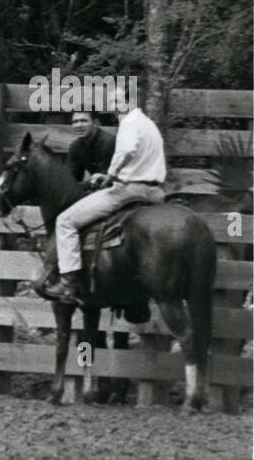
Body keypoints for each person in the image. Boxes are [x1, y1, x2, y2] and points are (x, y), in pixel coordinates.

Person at [41, 82, 167, 304]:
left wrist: (110, 174)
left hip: (129, 190)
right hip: (156, 191)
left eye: (117, 101)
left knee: (65, 221)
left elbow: (127, 150)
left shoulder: (128, 122)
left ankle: (68, 283)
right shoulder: (148, 124)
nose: (113, 106)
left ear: (130, 102)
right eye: (111, 102)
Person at [67, 110, 116, 183]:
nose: (79, 125)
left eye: (84, 121)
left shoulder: (108, 142)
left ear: (96, 123)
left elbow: (102, 179)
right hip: (96, 186)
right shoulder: (75, 146)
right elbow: (72, 179)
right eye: (75, 122)